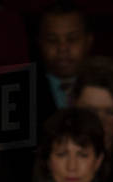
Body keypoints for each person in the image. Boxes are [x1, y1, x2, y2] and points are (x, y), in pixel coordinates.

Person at [34, 1, 93, 131]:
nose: (62, 48)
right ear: (40, 42)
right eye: (52, 40)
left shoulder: (111, 84)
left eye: (72, 39)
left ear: (88, 41)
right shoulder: (18, 91)